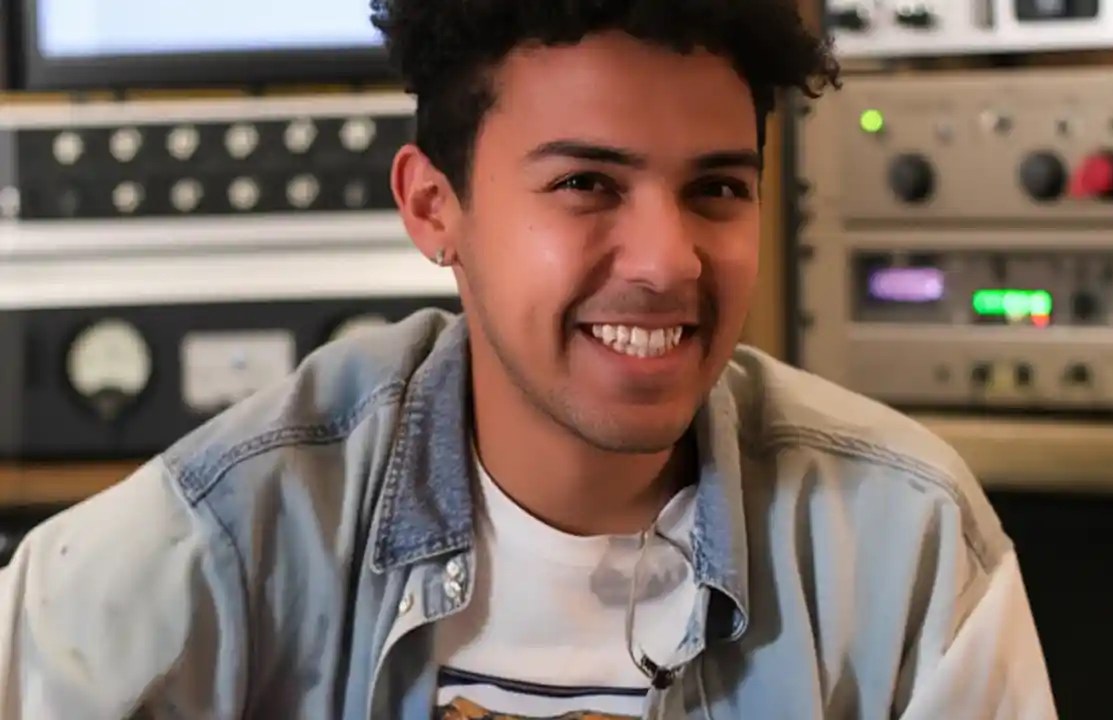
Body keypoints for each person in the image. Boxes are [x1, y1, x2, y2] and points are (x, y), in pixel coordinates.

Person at [0, 1, 1058, 718]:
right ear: (433, 207)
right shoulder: (234, 526)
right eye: (586, 185)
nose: (667, 261)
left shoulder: (903, 538)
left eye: (717, 189)